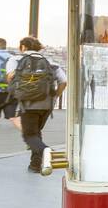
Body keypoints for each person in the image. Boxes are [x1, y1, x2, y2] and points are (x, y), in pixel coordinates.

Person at [5, 36, 67, 174]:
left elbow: (10, 77)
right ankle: (35, 164)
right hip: (46, 104)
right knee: (35, 133)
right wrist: (55, 95)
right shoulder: (50, 62)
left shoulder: (15, 60)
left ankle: (46, 151)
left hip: (27, 103)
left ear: (23, 47)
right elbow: (63, 81)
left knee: (29, 135)